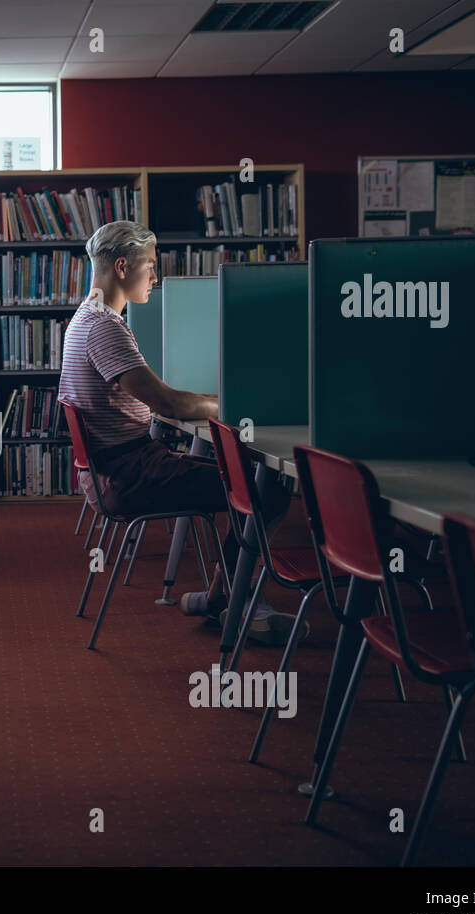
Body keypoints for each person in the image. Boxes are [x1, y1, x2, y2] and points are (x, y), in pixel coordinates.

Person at [57, 220, 296, 638]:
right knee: (267, 486)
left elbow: (157, 396)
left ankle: (223, 596)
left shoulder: (84, 318)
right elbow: (166, 403)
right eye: (149, 265)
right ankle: (239, 601)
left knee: (247, 476)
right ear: (121, 267)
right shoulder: (105, 327)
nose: (155, 276)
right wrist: (228, 403)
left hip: (117, 467)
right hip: (128, 475)